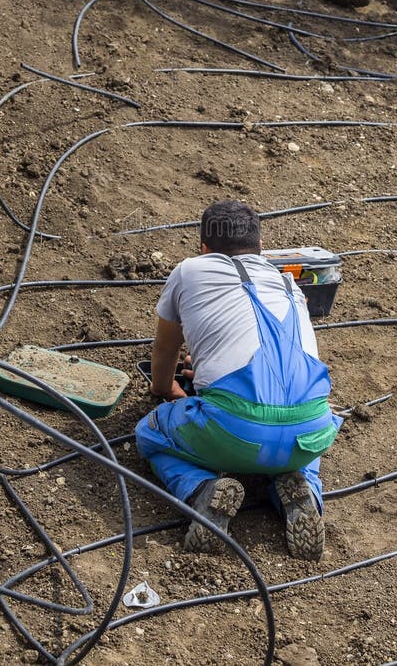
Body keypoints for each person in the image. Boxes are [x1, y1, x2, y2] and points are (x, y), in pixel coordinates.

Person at [135, 200, 343, 560]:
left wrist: (165, 389)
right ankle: (304, 488)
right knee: (294, 435)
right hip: (311, 431)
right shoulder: (287, 283)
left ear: (203, 248)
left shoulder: (189, 271)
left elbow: (165, 348)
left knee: (149, 434)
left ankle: (201, 490)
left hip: (235, 432)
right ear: (261, 248)